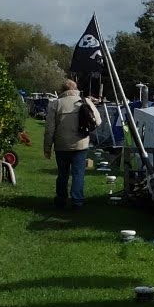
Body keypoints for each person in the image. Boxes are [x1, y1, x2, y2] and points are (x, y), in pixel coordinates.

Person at [47, 76, 101, 209]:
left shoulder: (55, 104)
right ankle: (77, 200)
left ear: (62, 90)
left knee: (62, 174)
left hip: (61, 145)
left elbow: (49, 129)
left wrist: (47, 147)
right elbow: (98, 121)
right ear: (75, 88)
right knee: (78, 174)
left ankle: (61, 199)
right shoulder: (84, 101)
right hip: (80, 143)